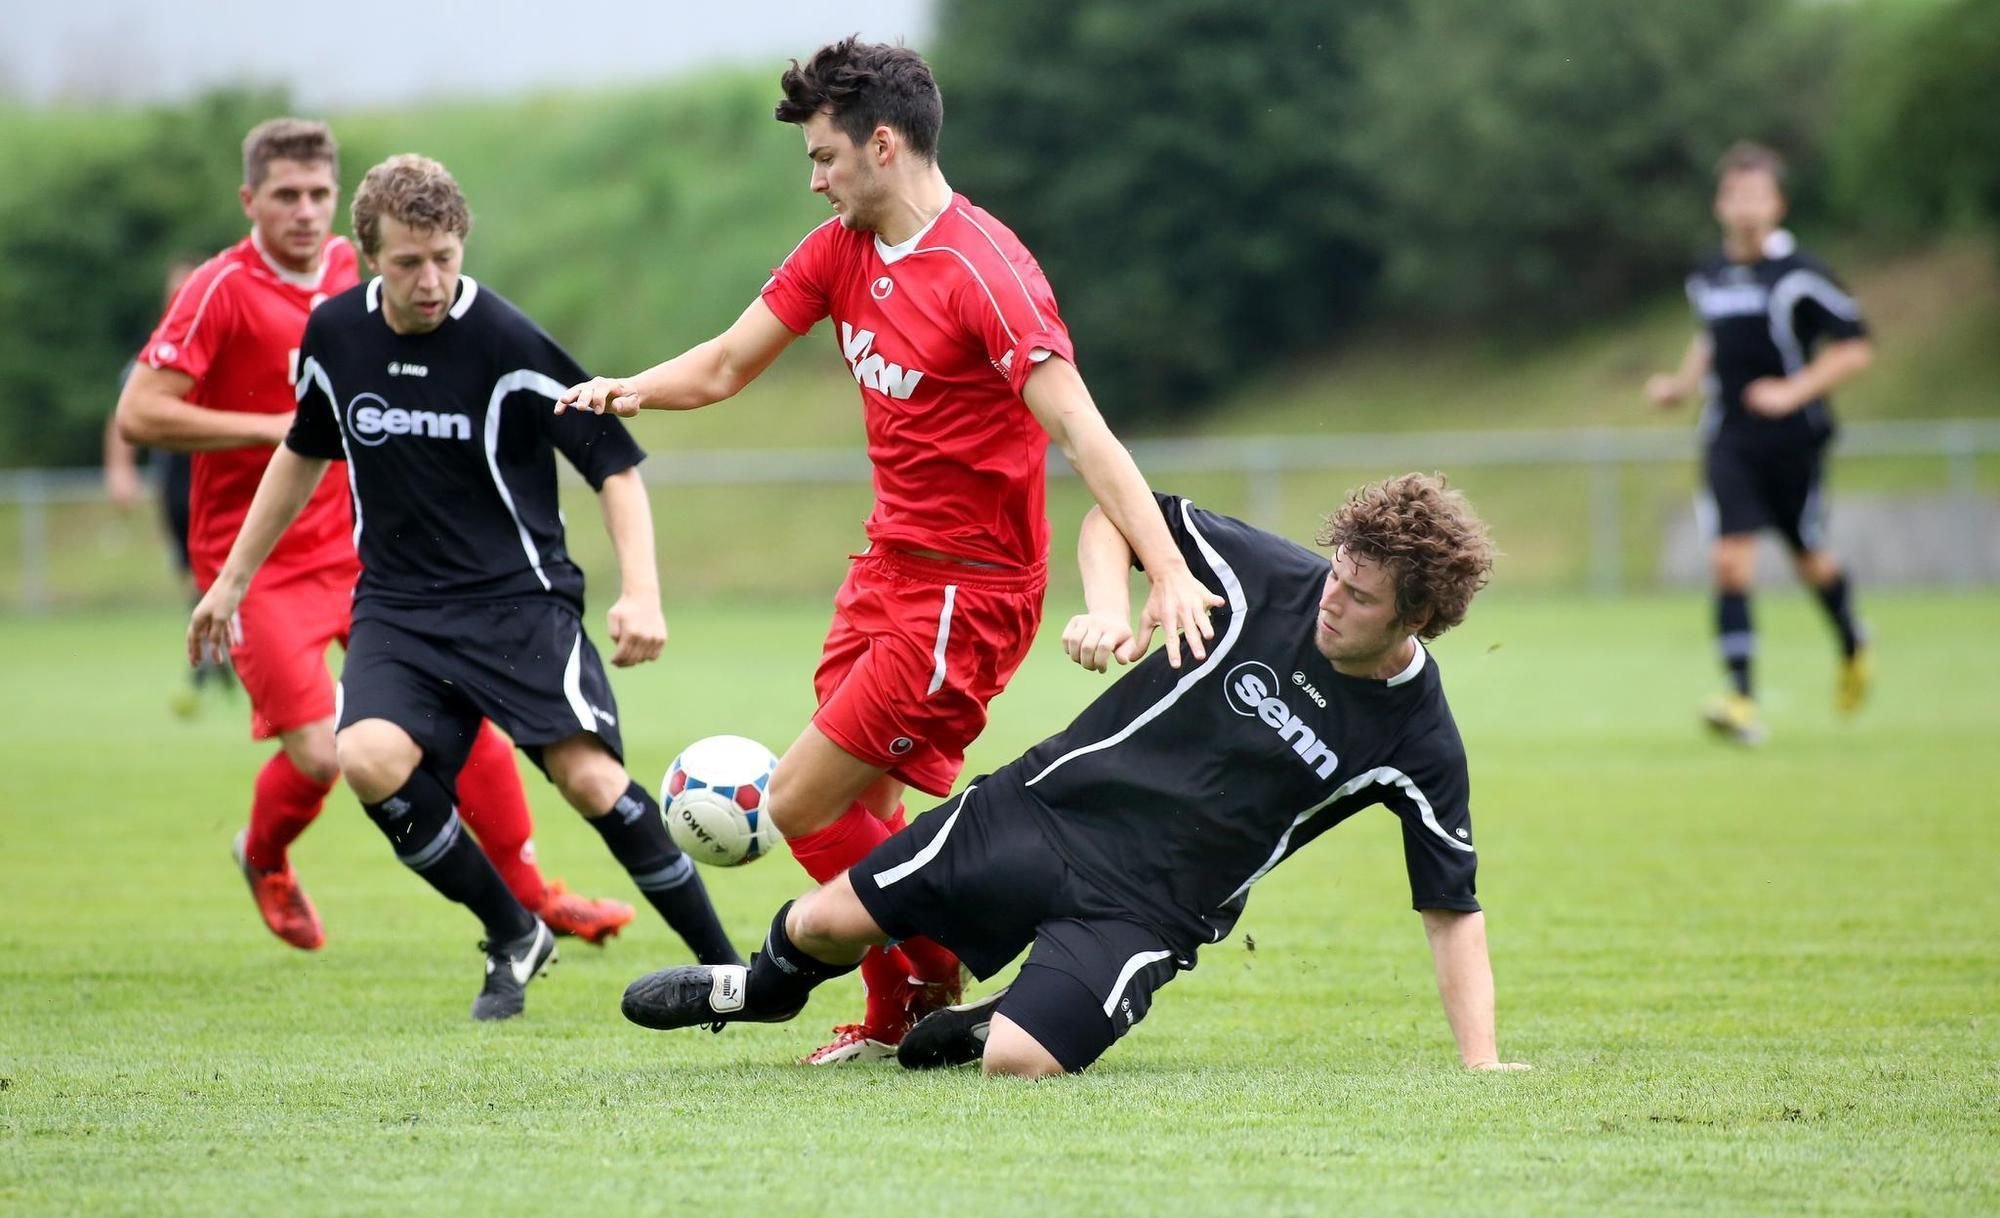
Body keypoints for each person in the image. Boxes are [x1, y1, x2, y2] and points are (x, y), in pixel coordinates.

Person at [557, 37, 1220, 1063]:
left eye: (823, 158)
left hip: (969, 592)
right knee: (857, 804)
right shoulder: (840, 250)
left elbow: (1084, 434)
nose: (814, 180)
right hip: (884, 570)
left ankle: (958, 943)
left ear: (881, 144)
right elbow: (731, 361)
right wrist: (630, 386)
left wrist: (1166, 568)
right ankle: (898, 1009)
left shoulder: (985, 273)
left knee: (795, 801)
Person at [620, 474, 1531, 1079]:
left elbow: (1452, 905)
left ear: (1418, 617)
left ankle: (995, 1018)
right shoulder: (1266, 576)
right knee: (821, 924)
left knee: (1017, 1066)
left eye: (1361, 598)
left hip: (1150, 907)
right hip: (1044, 808)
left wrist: (1482, 1064)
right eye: (1337, 574)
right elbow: (1114, 512)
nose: (1330, 599)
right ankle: (757, 993)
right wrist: (1111, 607)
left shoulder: (1418, 736)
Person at [190, 153, 741, 1020]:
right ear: (369, 253)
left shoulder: (507, 341)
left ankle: (726, 973)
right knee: (365, 758)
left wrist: (643, 592)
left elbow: (614, 465)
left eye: (446, 256)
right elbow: (301, 454)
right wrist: (230, 582)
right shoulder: (335, 335)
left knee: (591, 785)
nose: (431, 279)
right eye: (409, 261)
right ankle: (512, 932)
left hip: (519, 604)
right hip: (401, 611)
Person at [118, 119, 633, 950]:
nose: (306, 211)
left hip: (366, 556)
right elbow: (139, 413)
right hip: (261, 559)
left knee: (461, 721)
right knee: (325, 754)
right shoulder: (221, 288)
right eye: (286, 195)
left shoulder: (362, 270)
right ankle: (265, 855)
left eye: (320, 194)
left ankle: (535, 897)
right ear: (251, 201)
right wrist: (279, 432)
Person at [1645, 141, 1875, 745]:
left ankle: (1852, 639)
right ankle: (1741, 698)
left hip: (1794, 441)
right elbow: (1711, 338)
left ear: (1777, 204)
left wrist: (1794, 392)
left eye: (1757, 195)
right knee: (1729, 559)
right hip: (1729, 437)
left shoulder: (1801, 274)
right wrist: (1681, 385)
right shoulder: (1708, 273)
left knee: (1809, 558)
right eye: (1735, 195)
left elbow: (1855, 346)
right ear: (1721, 204)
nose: (1745, 206)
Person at [106, 261, 237, 718]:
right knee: (191, 570)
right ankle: (212, 649)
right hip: (177, 480)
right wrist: (120, 471)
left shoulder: (225, 346)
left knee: (228, 566)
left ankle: (219, 652)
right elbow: (124, 416)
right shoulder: (155, 355)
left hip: (225, 477)